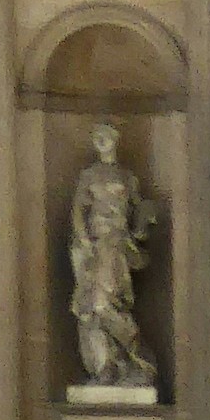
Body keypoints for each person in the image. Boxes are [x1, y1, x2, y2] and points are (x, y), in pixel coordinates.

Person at [65, 123, 155, 391]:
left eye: (106, 135)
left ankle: (135, 356)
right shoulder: (89, 176)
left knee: (107, 305)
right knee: (92, 309)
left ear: (115, 139)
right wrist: (83, 240)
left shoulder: (128, 177)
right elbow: (78, 211)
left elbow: (141, 209)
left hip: (117, 247)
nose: (101, 140)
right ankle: (106, 367)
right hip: (94, 247)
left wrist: (142, 227)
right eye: (97, 137)